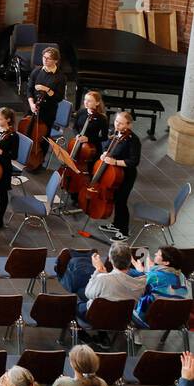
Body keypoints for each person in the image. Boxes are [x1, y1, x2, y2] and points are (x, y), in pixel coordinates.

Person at [58, 242, 146, 321]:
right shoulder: (142, 281)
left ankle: (81, 334)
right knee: (80, 289)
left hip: (96, 316)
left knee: (71, 302)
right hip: (122, 318)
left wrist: (98, 270)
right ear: (130, 261)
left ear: (110, 260)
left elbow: (88, 293)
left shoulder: (103, 279)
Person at [97, 111, 143, 241]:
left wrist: (115, 162)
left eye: (121, 123)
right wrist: (104, 153)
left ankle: (124, 231)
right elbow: (106, 146)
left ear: (129, 125)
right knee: (116, 200)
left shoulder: (133, 140)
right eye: (116, 121)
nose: (117, 125)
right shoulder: (116, 133)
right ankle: (116, 224)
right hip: (114, 174)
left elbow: (134, 161)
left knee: (121, 202)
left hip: (126, 175)